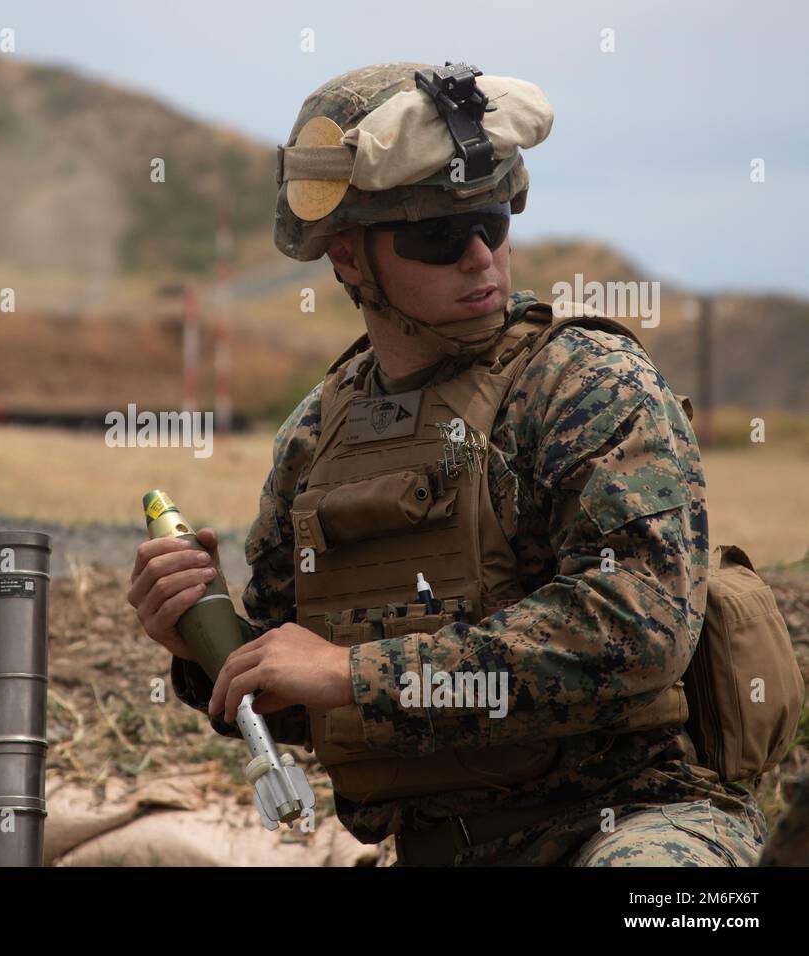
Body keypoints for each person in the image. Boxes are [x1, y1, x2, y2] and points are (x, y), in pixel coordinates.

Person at [129, 62, 768, 866]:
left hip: (631, 824)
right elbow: (298, 697)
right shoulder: (316, 436)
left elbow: (636, 629)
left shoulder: (586, 383)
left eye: (493, 221)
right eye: (436, 236)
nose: (479, 258)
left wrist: (358, 674)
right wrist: (203, 644)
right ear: (350, 258)